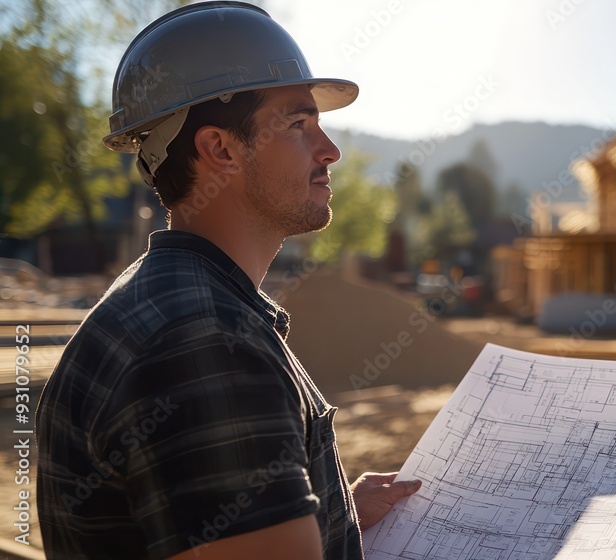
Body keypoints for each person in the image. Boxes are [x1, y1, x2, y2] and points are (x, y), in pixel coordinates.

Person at [35, 3, 419, 558]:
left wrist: (334, 514)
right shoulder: (206, 341)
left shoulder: (170, 301)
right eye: (298, 124)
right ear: (219, 149)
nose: (330, 151)